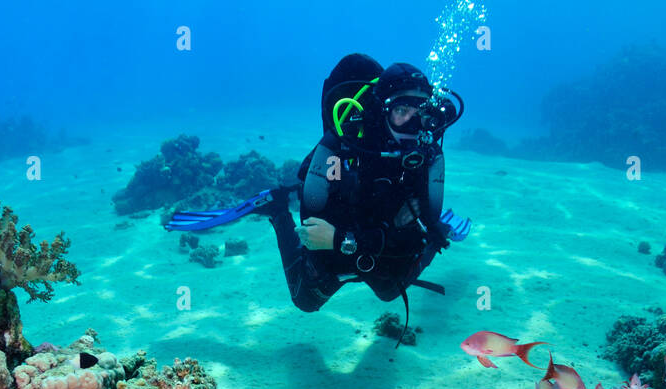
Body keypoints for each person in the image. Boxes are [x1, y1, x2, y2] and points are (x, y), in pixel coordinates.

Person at [166, 54, 466, 325]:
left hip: (363, 238)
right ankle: (275, 207)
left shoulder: (427, 154)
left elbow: (423, 221)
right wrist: (346, 239)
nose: (412, 123)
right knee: (305, 301)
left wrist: (427, 232)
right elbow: (313, 226)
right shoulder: (341, 147)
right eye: (401, 109)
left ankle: (421, 240)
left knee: (390, 291)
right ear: (382, 110)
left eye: (420, 111)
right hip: (341, 234)